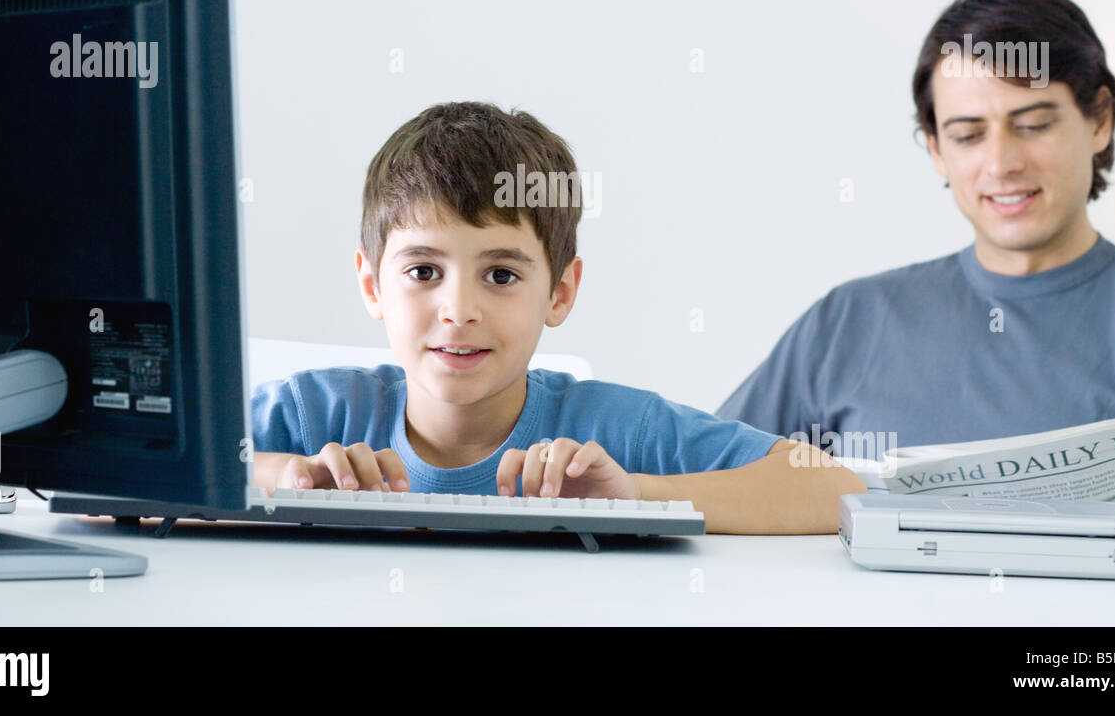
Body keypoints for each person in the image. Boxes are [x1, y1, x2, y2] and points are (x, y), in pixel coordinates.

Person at [251, 102, 865, 533]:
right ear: (371, 284)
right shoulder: (312, 416)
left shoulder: (615, 434)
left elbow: (834, 487)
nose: (459, 311)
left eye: (501, 275)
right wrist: (278, 476)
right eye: (423, 272)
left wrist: (636, 496)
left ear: (560, 292)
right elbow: (154, 460)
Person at [719, 0, 1115, 453]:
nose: (1001, 163)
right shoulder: (847, 323)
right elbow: (706, 478)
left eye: (1032, 125)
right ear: (936, 149)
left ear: (1099, 121)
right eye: (968, 135)